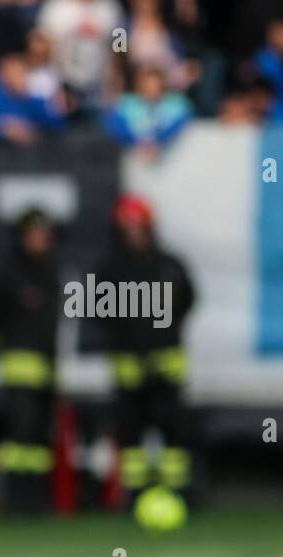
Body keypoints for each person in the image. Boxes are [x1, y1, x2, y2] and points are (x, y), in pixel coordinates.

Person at [95, 194, 196, 500]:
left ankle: (177, 490)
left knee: (173, 432)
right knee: (130, 435)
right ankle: (135, 493)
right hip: (129, 372)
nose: (134, 234)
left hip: (167, 367)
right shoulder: (110, 270)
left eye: (139, 227)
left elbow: (188, 302)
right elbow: (98, 313)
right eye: (128, 228)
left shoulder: (170, 265)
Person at [0, 209, 62, 513]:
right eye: (34, 234)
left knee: (39, 441)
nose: (40, 240)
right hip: (15, 375)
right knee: (17, 438)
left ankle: (34, 499)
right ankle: (14, 499)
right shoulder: (8, 274)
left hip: (45, 371)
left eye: (44, 234)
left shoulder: (50, 273)